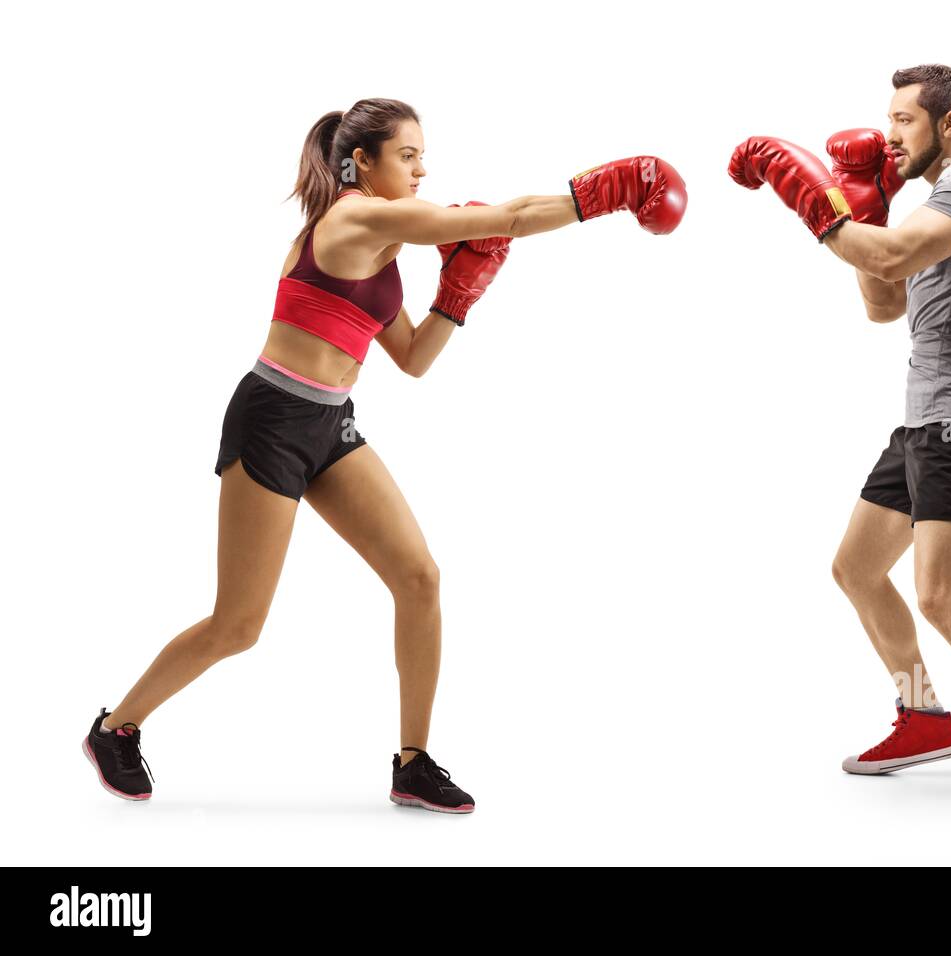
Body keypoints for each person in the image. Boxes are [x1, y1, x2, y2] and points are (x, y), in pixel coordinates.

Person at [83, 97, 687, 813]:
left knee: (419, 578)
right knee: (239, 625)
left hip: (329, 422)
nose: (422, 168)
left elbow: (412, 358)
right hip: (273, 418)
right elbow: (510, 216)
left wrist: (459, 295)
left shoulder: (382, 246)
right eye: (408, 156)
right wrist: (610, 191)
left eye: (423, 154)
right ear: (361, 162)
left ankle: (413, 761)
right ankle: (115, 727)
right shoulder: (355, 218)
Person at [728, 65, 951, 829]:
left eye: (904, 121)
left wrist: (814, 204)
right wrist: (867, 208)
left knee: (943, 599)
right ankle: (925, 718)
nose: (890, 136)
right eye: (887, 121)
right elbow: (883, 301)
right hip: (923, 417)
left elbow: (886, 258)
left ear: (949, 123)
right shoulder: (928, 206)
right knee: (856, 568)